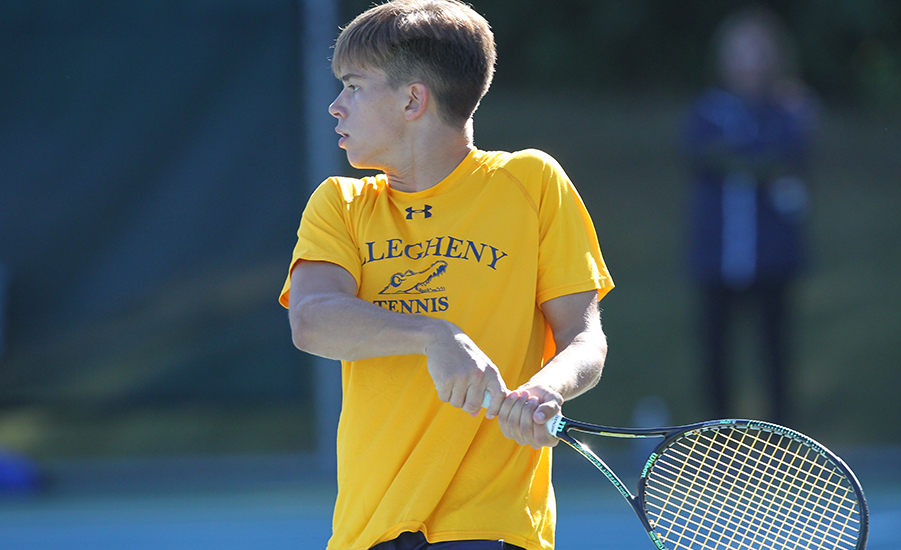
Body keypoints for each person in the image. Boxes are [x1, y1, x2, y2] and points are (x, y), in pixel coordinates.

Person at [278, 1, 614, 549]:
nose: (336, 106)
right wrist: (435, 335)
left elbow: (584, 337)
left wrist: (546, 390)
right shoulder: (340, 203)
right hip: (368, 530)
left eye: (354, 86)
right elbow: (311, 321)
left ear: (413, 99)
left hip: (489, 527)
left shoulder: (532, 182)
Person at [680, 6, 818, 426]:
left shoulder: (791, 107)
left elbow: (784, 157)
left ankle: (783, 438)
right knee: (716, 356)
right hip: (715, 255)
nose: (748, 61)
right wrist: (749, 160)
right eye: (740, 51)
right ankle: (718, 437)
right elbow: (700, 153)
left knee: (776, 353)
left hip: (774, 256)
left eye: (757, 51)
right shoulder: (707, 110)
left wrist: (744, 160)